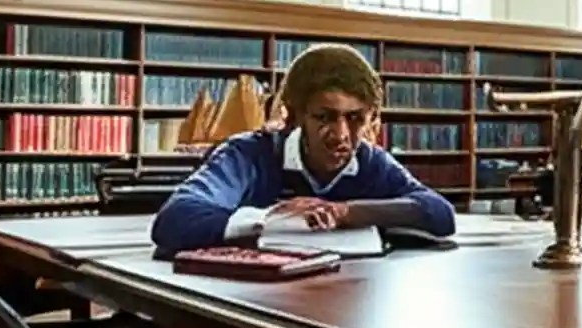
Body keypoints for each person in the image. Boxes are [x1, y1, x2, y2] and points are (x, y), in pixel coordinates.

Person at [150, 43, 456, 256]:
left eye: (355, 119)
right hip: (255, 309)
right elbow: (174, 221)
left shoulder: (371, 162)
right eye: (324, 118)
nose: (341, 136)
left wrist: (344, 212)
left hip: (344, 299)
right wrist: (271, 219)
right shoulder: (247, 155)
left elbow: (439, 214)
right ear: (293, 115)